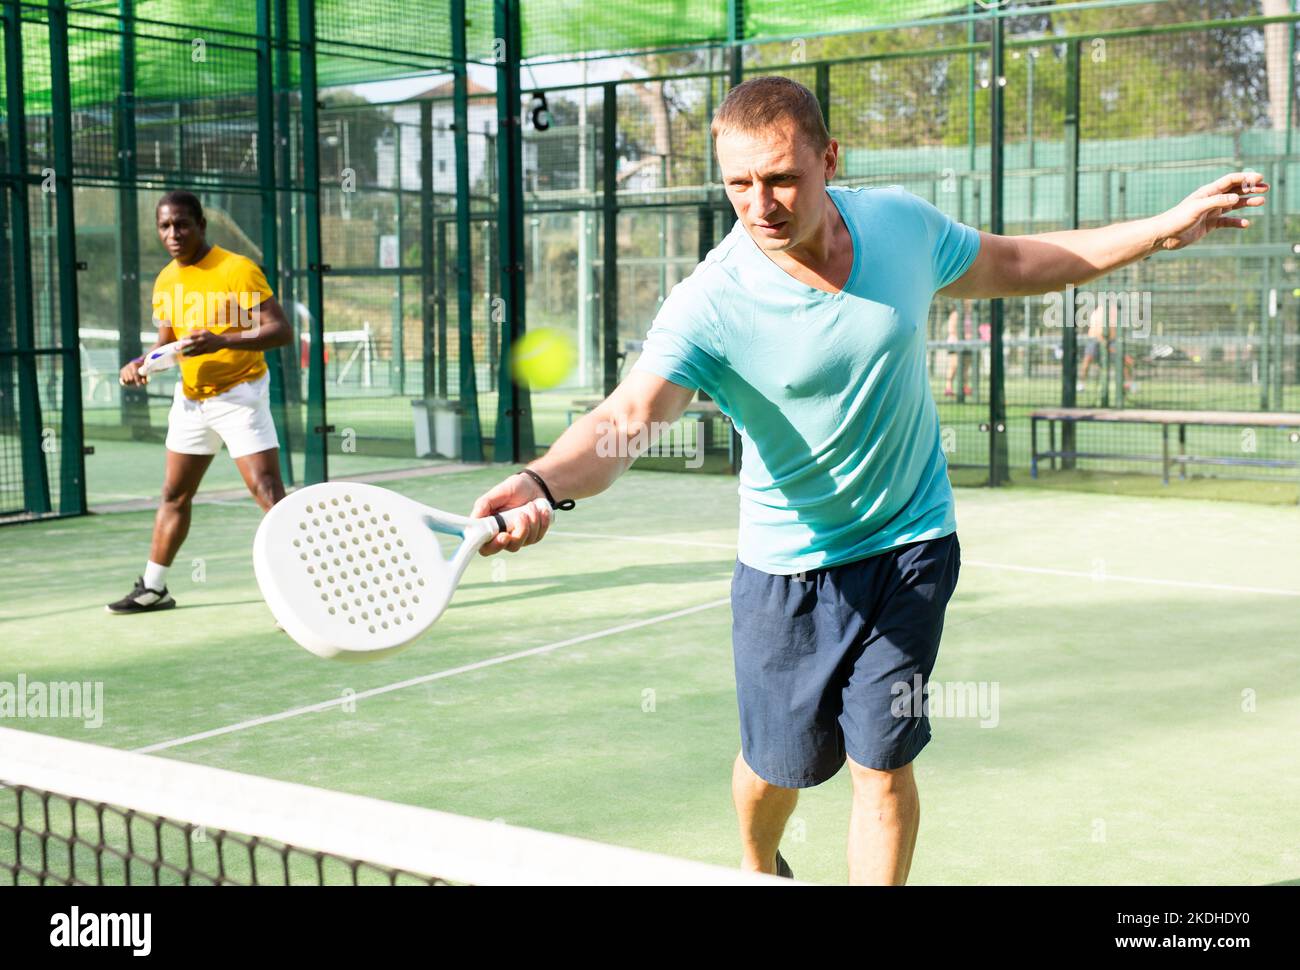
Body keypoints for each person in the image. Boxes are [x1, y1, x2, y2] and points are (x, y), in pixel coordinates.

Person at [466, 77, 1267, 884]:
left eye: (781, 177)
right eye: (739, 183)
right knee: (778, 767)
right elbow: (626, 418)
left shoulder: (899, 226)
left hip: (912, 545)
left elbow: (1017, 259)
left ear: (829, 159)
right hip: (788, 571)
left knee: (882, 765)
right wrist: (541, 482)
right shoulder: (711, 302)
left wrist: (1159, 230)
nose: (761, 202)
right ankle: (757, 864)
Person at [107, 191, 294, 614]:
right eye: (165, 226)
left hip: (240, 396)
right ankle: (154, 588)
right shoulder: (166, 281)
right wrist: (140, 363)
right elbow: (166, 343)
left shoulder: (237, 270)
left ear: (201, 225)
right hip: (191, 402)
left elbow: (281, 331)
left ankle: (302, 591)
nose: (173, 234)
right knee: (174, 493)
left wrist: (220, 340)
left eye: (182, 224)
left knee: (268, 494)